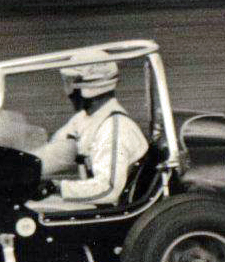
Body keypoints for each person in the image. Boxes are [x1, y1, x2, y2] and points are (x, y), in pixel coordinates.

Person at [32, 49, 149, 208]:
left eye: (72, 82)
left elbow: (108, 189)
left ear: (90, 86)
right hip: (95, 203)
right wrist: (21, 167)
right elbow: (59, 150)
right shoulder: (85, 118)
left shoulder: (114, 128)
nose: (69, 92)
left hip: (108, 210)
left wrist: (56, 187)